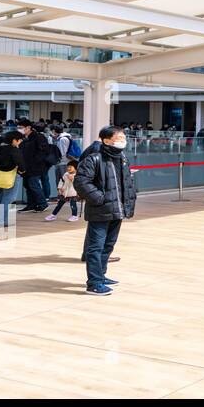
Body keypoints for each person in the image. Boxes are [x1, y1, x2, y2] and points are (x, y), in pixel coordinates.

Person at [74, 126, 136, 296]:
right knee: (96, 246)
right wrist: (99, 198)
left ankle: (101, 276)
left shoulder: (122, 158)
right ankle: (93, 283)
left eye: (124, 137)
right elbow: (81, 182)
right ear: (106, 140)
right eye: (119, 138)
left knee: (108, 245)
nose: (123, 141)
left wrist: (130, 200)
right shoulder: (93, 159)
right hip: (100, 210)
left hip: (118, 209)